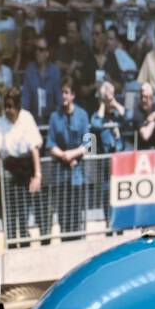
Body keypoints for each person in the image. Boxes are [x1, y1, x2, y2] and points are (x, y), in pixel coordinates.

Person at [0, 86, 42, 246]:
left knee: (24, 209)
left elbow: (34, 148)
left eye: (11, 106)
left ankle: (25, 242)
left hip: (25, 167)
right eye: (6, 106)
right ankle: (10, 242)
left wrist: (37, 174)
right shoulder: (0, 123)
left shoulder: (27, 118)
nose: (8, 110)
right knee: (9, 211)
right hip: (9, 168)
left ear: (18, 106)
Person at [47, 77, 90, 239]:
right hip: (60, 175)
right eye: (61, 92)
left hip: (77, 175)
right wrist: (64, 156)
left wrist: (73, 154)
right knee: (63, 217)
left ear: (72, 95)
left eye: (66, 92)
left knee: (76, 215)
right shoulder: (54, 117)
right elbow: (50, 145)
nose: (63, 96)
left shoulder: (83, 115)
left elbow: (89, 144)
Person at [21, 35, 61, 127]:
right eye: (36, 49)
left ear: (47, 53)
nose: (37, 52)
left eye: (41, 49)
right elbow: (25, 102)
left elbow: (59, 102)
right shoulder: (29, 71)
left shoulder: (54, 72)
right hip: (32, 124)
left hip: (51, 124)